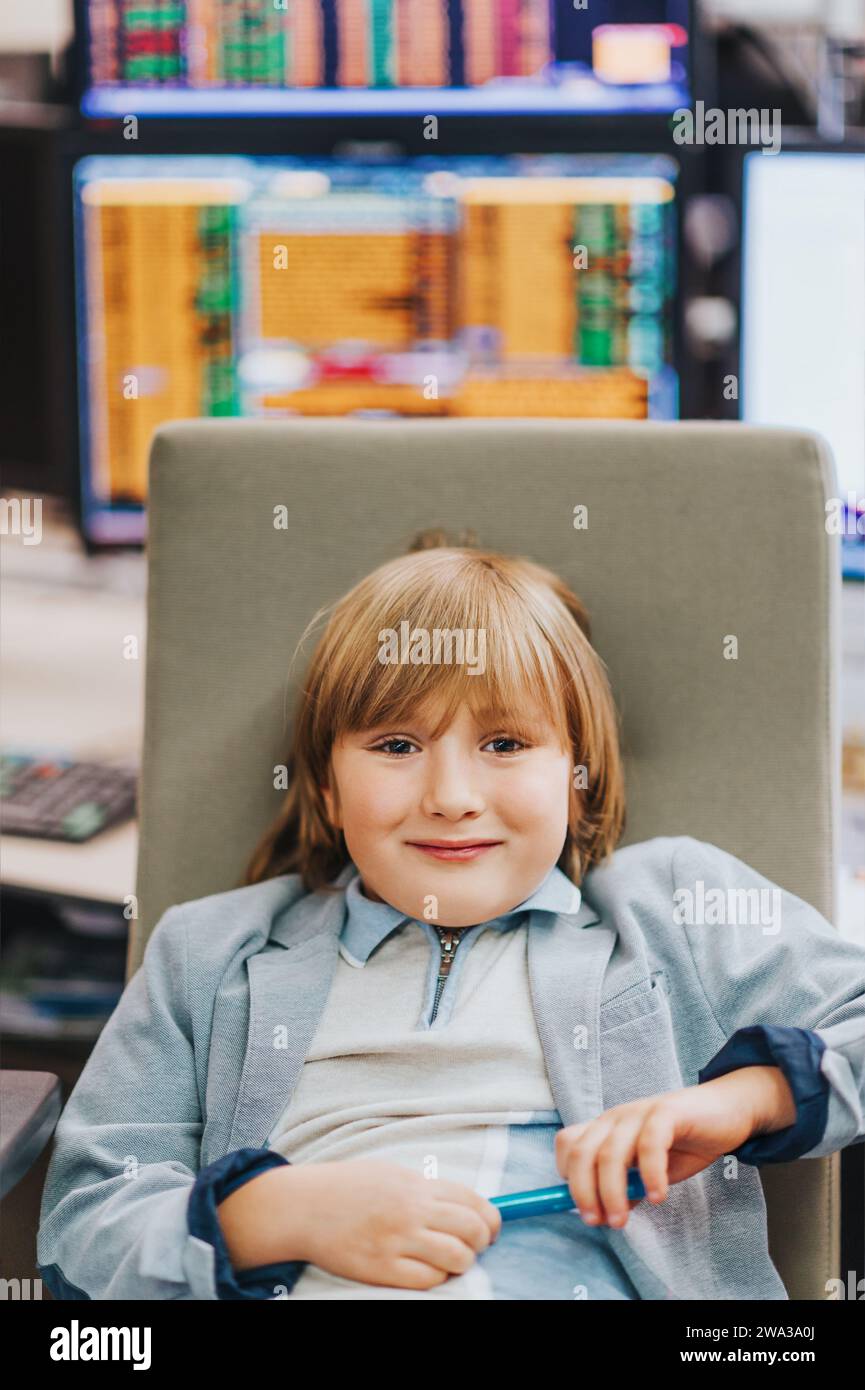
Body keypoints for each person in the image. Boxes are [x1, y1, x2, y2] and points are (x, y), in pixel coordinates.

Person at [37, 535, 865, 1300]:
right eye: (396, 746)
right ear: (326, 785)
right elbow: (81, 1228)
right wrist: (269, 1218)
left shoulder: (674, 904)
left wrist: (743, 1100)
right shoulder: (207, 950)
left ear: (578, 774)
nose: (451, 798)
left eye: (504, 744)